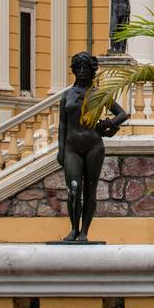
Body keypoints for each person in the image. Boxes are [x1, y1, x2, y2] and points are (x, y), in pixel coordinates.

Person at [57, 52, 128, 243]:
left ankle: (84, 232)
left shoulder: (99, 94)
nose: (82, 71)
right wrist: (60, 149)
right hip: (72, 148)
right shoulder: (67, 96)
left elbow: (122, 113)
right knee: (73, 190)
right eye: (78, 68)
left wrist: (108, 124)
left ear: (91, 71)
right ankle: (73, 229)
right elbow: (62, 125)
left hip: (93, 147)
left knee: (90, 190)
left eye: (85, 68)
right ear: (73, 70)